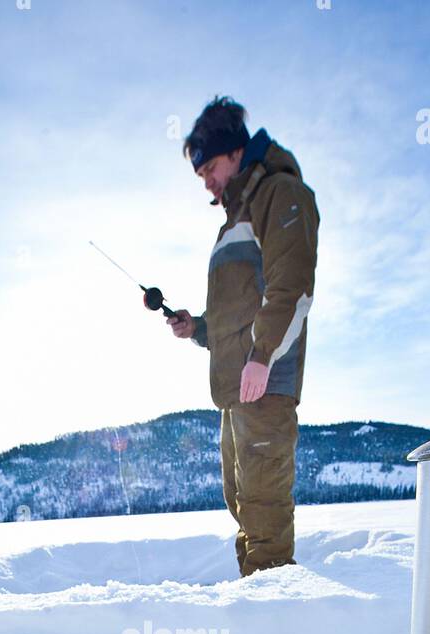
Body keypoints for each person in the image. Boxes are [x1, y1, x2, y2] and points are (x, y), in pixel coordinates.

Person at [169, 97, 320, 576]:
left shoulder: (281, 194)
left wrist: (262, 356)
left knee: (265, 512)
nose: (207, 183)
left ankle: (278, 626)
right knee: (244, 506)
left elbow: (291, 289)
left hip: (265, 382)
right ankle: (255, 609)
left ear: (235, 152)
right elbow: (234, 314)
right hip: (236, 390)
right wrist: (198, 328)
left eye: (209, 168)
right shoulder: (232, 221)